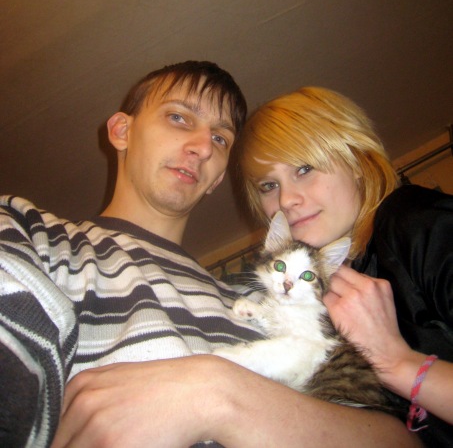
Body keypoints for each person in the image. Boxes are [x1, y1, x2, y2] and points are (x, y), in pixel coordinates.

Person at [0, 63, 420, 448]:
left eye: (220, 138)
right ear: (121, 130)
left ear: (218, 177)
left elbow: (402, 441)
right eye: (179, 117)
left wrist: (215, 395)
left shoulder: (254, 300)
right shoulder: (28, 233)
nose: (203, 146)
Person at [239, 85, 453, 447]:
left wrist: (398, 363)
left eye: (304, 168)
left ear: (356, 162)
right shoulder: (317, 291)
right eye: (269, 185)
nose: (286, 199)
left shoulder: (416, 224)